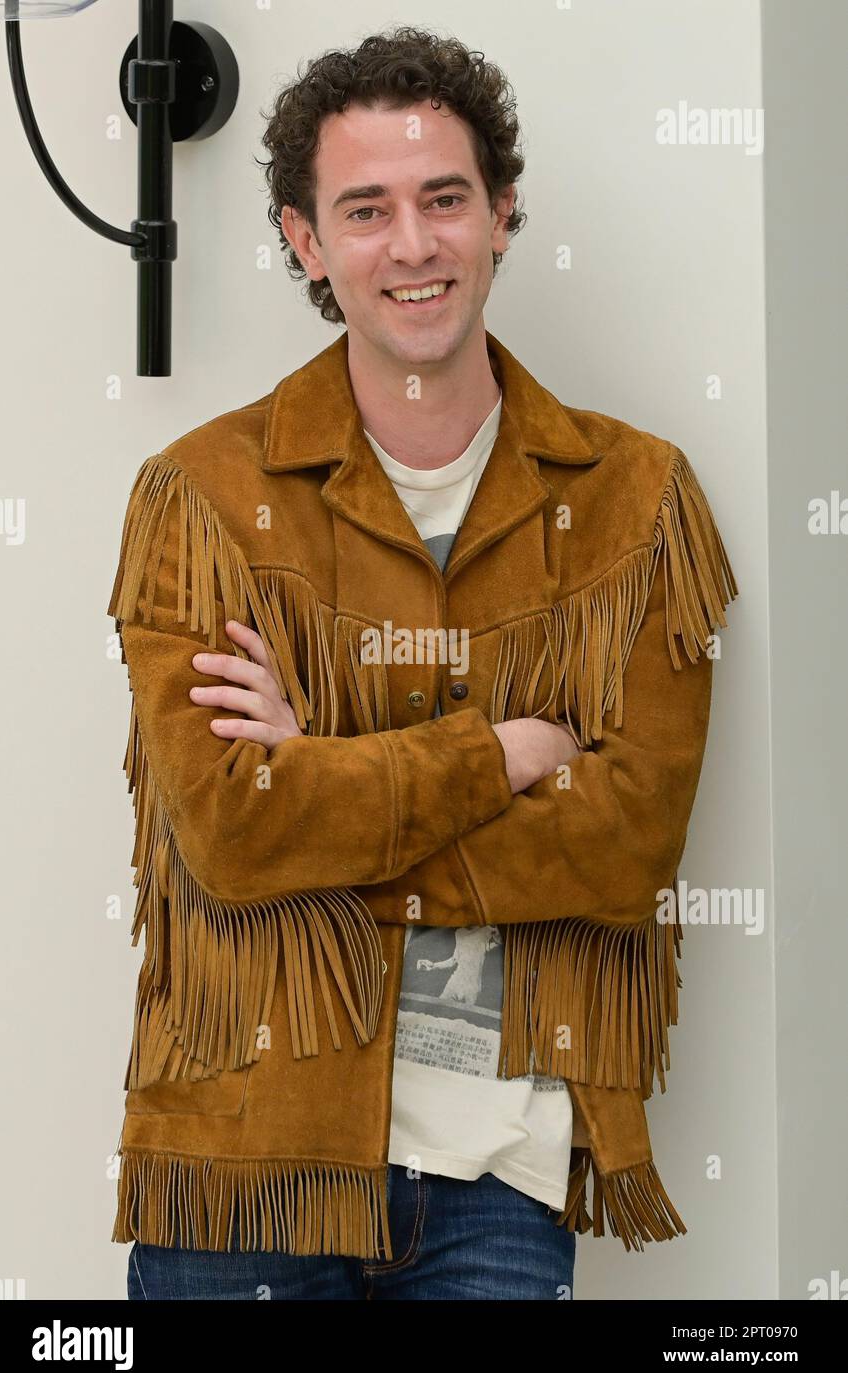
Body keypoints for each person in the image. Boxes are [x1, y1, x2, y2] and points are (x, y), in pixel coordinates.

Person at [110, 26, 738, 1301]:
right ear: (304, 242)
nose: (411, 245)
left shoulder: (634, 499)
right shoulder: (204, 497)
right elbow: (232, 838)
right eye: (366, 209)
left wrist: (323, 786)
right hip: (246, 1162)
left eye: (444, 199)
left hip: (497, 1174)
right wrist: (504, 752)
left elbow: (626, 846)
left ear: (502, 216)